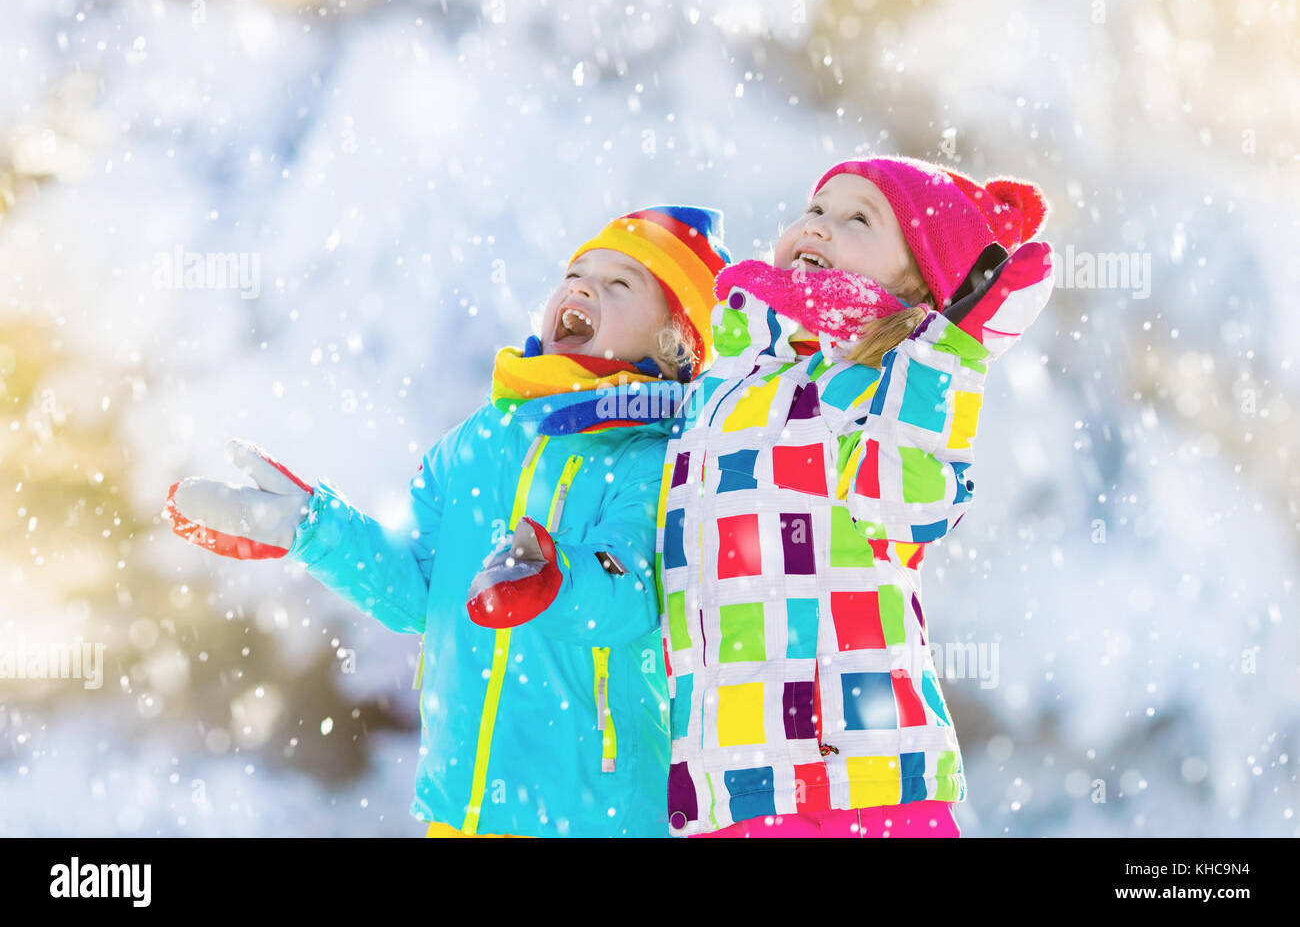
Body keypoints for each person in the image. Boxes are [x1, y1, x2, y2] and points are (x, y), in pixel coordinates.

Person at [166, 205, 730, 837]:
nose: (583, 286)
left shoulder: (657, 458)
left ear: (673, 342)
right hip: (461, 812)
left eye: (621, 283)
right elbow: (418, 592)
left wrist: (554, 581)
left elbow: (630, 589)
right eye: (577, 271)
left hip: (595, 814)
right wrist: (310, 528)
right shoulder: (478, 442)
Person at [654, 156, 1055, 837]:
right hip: (727, 782)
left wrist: (941, 354)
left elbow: (906, 503)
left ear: (918, 280)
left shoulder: (876, 387)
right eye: (815, 209)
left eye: (857, 218)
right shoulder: (724, 389)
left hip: (860, 781)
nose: (820, 226)